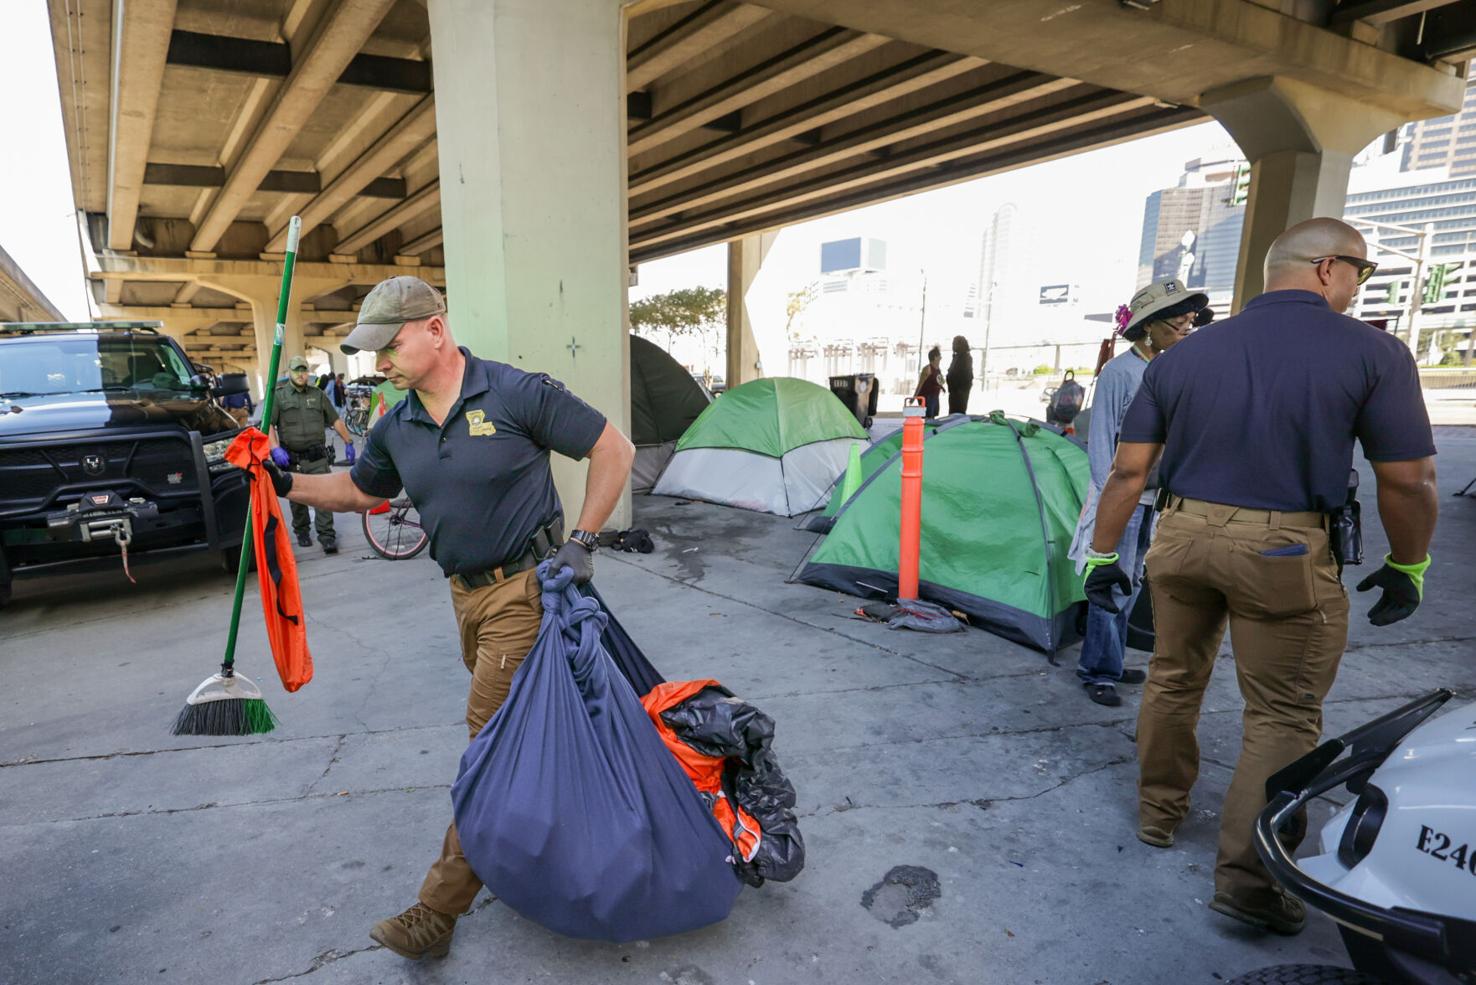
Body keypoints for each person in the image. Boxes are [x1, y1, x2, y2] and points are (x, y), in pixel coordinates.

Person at [249, 275, 634, 960]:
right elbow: (360, 491)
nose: (379, 365)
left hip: (526, 594)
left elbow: (614, 450)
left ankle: (437, 911)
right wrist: (284, 482)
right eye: (373, 353)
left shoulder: (516, 393)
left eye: (388, 347)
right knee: (536, 742)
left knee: (489, 751)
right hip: (465, 598)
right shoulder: (398, 425)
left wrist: (584, 539)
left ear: (435, 327)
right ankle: (601, 851)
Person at [1084, 218, 1437, 936]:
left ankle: (1158, 814)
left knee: (1172, 676)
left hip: (1179, 536)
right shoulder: (1375, 352)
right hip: (1283, 549)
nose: (1357, 287)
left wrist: (1100, 555)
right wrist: (1409, 563)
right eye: (1362, 273)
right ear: (1329, 268)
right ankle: (1249, 883)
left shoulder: (1180, 357)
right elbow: (1408, 480)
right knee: (1280, 713)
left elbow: (1128, 470)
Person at [1070, 278, 1204, 707]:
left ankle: (1109, 657)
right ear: (1149, 326)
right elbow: (1101, 447)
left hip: (1153, 499)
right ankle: (1098, 670)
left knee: (1133, 582)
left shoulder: (1165, 368)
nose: (1186, 327)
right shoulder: (1120, 373)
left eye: (1190, 321)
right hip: (1123, 499)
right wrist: (1108, 500)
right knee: (1111, 583)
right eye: (1178, 322)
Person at [268, 355, 356, 555]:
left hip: (318, 457)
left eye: (304, 370)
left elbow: (335, 420)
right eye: (297, 370)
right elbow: (269, 426)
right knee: (297, 498)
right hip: (293, 458)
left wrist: (349, 441)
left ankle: (327, 537)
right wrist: (274, 448)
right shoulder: (279, 397)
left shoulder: (318, 395)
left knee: (324, 497)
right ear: (290, 372)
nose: (301, 374)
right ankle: (302, 531)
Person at [914, 345, 945, 417]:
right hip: (927, 397)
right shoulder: (927, 369)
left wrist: (942, 387)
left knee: (933, 416)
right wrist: (914, 397)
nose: (941, 358)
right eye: (939, 356)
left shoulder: (938, 369)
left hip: (935, 396)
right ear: (935, 357)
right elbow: (920, 384)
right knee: (928, 417)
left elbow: (941, 382)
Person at [946, 336, 972, 415]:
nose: (953, 346)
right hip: (954, 392)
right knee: (952, 414)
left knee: (957, 414)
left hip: (960, 393)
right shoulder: (957, 357)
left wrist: (959, 390)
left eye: (954, 344)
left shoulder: (966, 358)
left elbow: (966, 376)